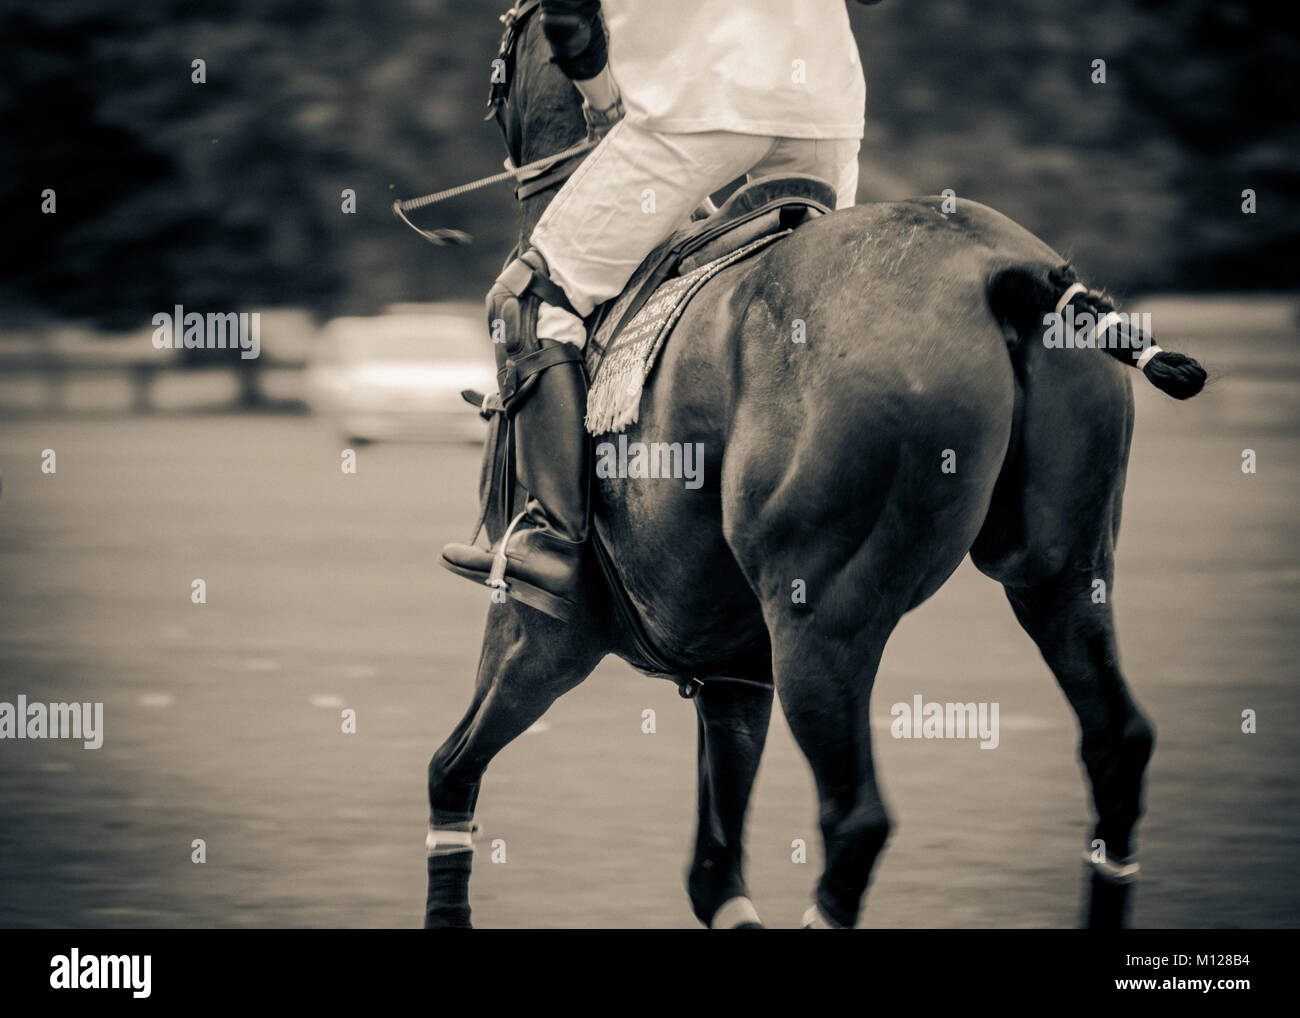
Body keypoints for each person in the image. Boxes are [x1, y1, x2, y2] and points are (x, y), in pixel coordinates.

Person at [442, 0, 869, 621]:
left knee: (530, 300)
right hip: (826, 112)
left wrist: (603, 100)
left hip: (699, 104)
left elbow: (565, 21)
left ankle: (554, 545)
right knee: (813, 325)